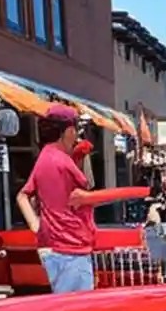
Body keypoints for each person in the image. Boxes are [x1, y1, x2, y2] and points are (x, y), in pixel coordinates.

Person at [15, 104, 107, 293]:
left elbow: (22, 196)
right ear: (68, 131)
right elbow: (85, 197)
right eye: (76, 130)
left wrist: (37, 226)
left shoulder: (45, 157)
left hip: (54, 247)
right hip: (70, 249)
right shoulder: (63, 162)